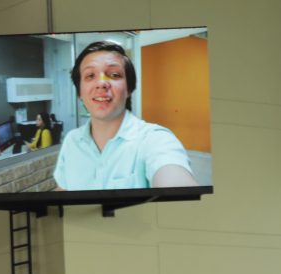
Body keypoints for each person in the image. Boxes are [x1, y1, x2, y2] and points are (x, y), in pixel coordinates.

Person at [52, 40, 197, 191]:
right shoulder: (71, 141)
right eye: (90, 75)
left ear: (129, 89)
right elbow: (62, 190)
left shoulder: (155, 139)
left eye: (114, 75)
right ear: (80, 92)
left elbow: (176, 183)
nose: (101, 83)